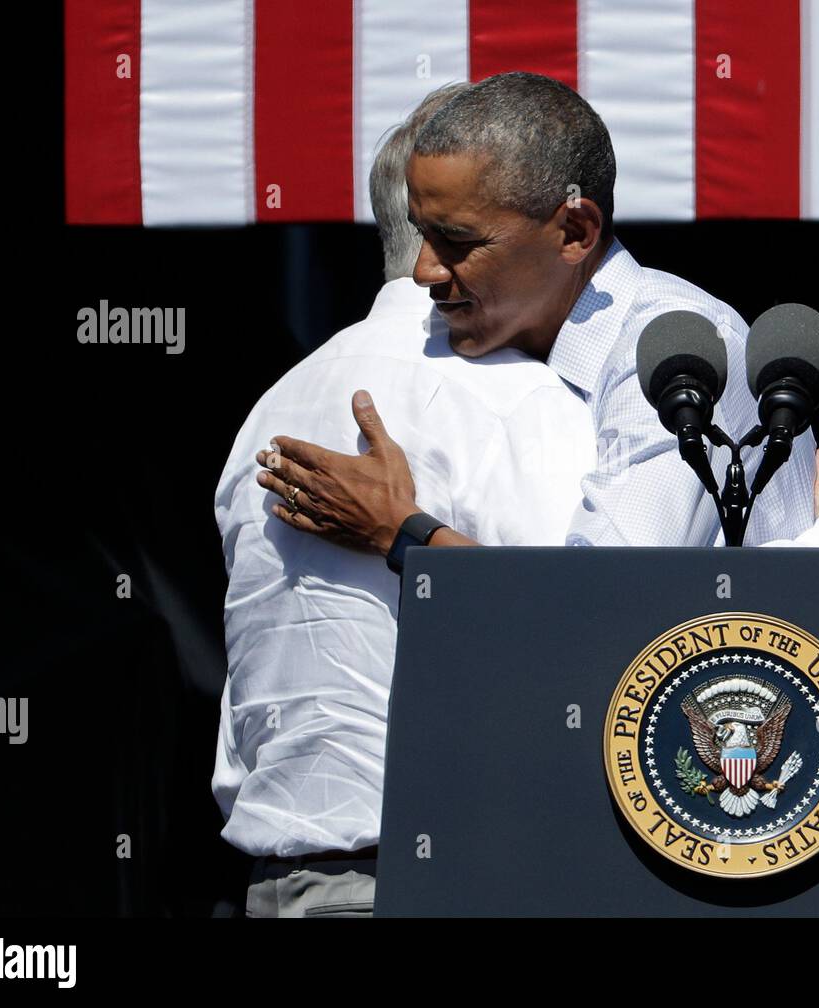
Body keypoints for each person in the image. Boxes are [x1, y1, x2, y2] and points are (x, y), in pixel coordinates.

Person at [211, 83, 595, 917]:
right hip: (444, 880)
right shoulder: (527, 407)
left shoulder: (269, 409)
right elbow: (590, 637)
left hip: (281, 881)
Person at [255, 72, 819, 557]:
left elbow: (603, 607)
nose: (423, 270)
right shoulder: (528, 343)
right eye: (421, 233)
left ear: (575, 232)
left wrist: (401, 531)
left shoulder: (667, 351)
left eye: (458, 242)